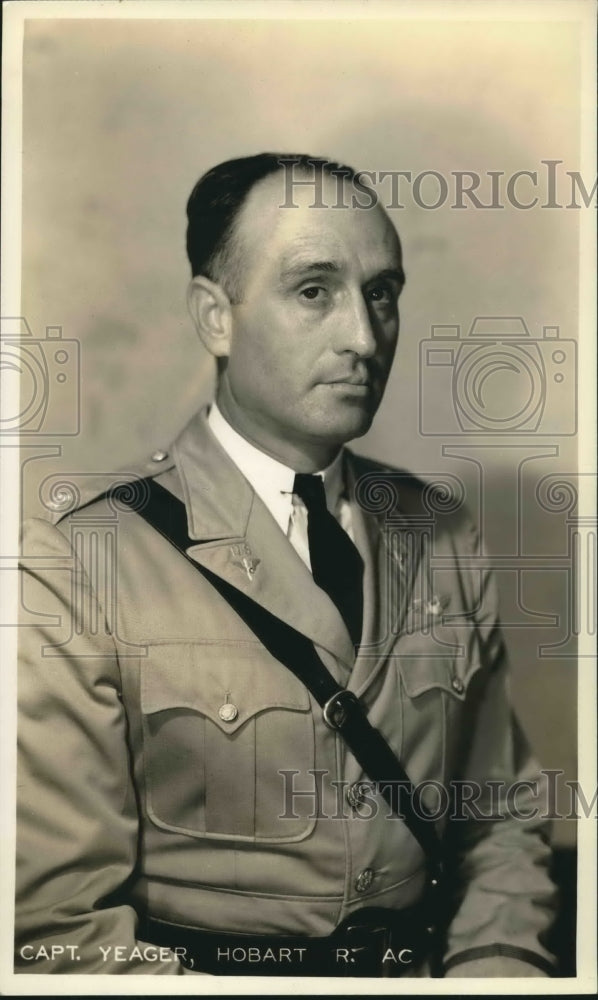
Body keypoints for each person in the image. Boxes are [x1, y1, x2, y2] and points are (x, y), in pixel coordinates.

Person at [16, 153, 557, 978]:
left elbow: (499, 818)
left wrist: (499, 962)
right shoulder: (81, 557)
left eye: (382, 293)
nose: (364, 338)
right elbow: (56, 927)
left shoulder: (440, 533)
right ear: (215, 317)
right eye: (313, 291)